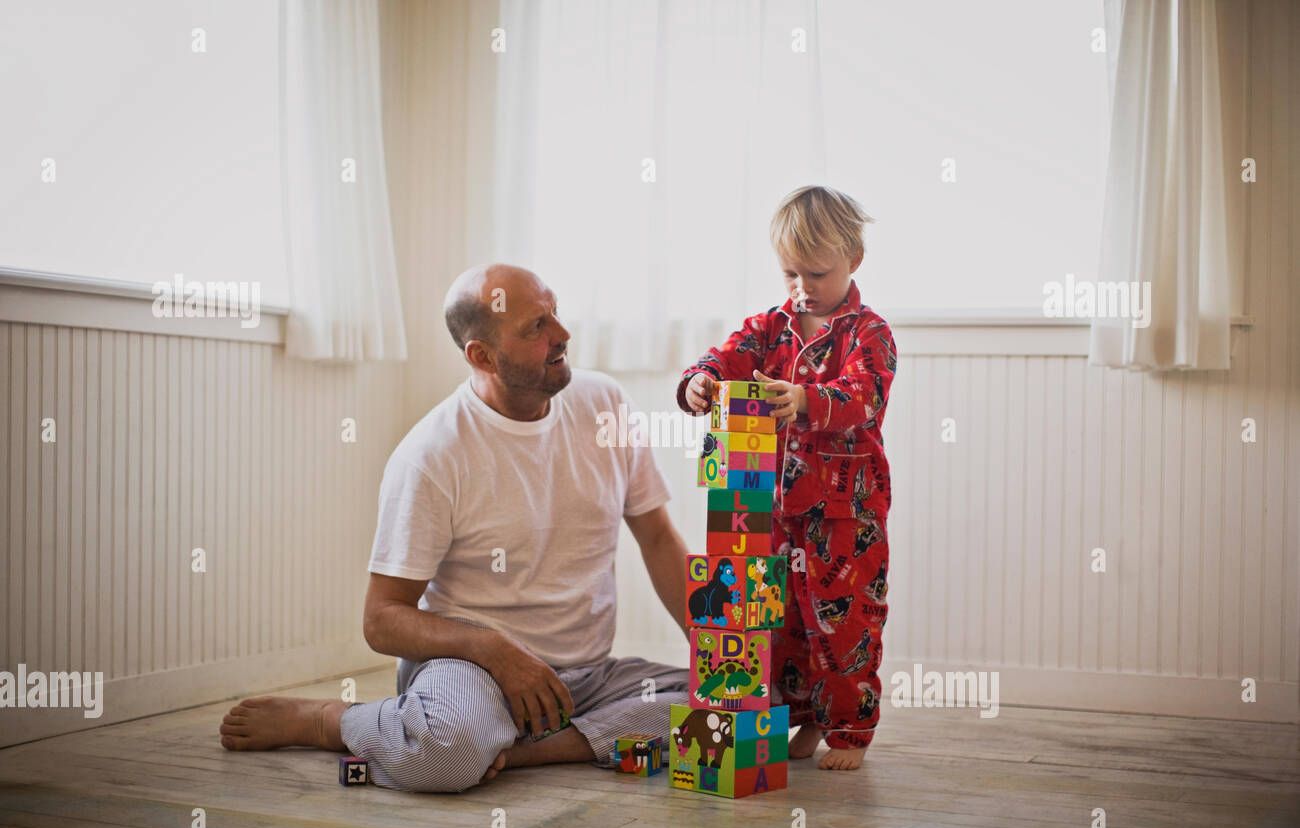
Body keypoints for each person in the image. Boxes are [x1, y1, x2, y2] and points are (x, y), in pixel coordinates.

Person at [219, 264, 691, 791]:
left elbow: (657, 538)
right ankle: (332, 720)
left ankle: (527, 752)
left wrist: (712, 647)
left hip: (588, 677)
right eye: (536, 327)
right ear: (482, 356)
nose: (562, 334)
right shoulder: (432, 455)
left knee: (743, 699)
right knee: (443, 756)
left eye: (554, 312)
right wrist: (495, 650)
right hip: (474, 677)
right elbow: (382, 620)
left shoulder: (605, 406)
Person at [676, 185, 896, 771]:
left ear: (855, 260)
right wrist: (700, 381)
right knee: (782, 622)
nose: (802, 288)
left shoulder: (868, 334)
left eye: (817, 274)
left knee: (843, 621)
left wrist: (805, 398)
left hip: (844, 514)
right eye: (790, 273)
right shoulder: (770, 326)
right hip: (767, 507)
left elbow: (862, 396)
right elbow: (725, 356)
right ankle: (799, 721)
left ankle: (849, 729)